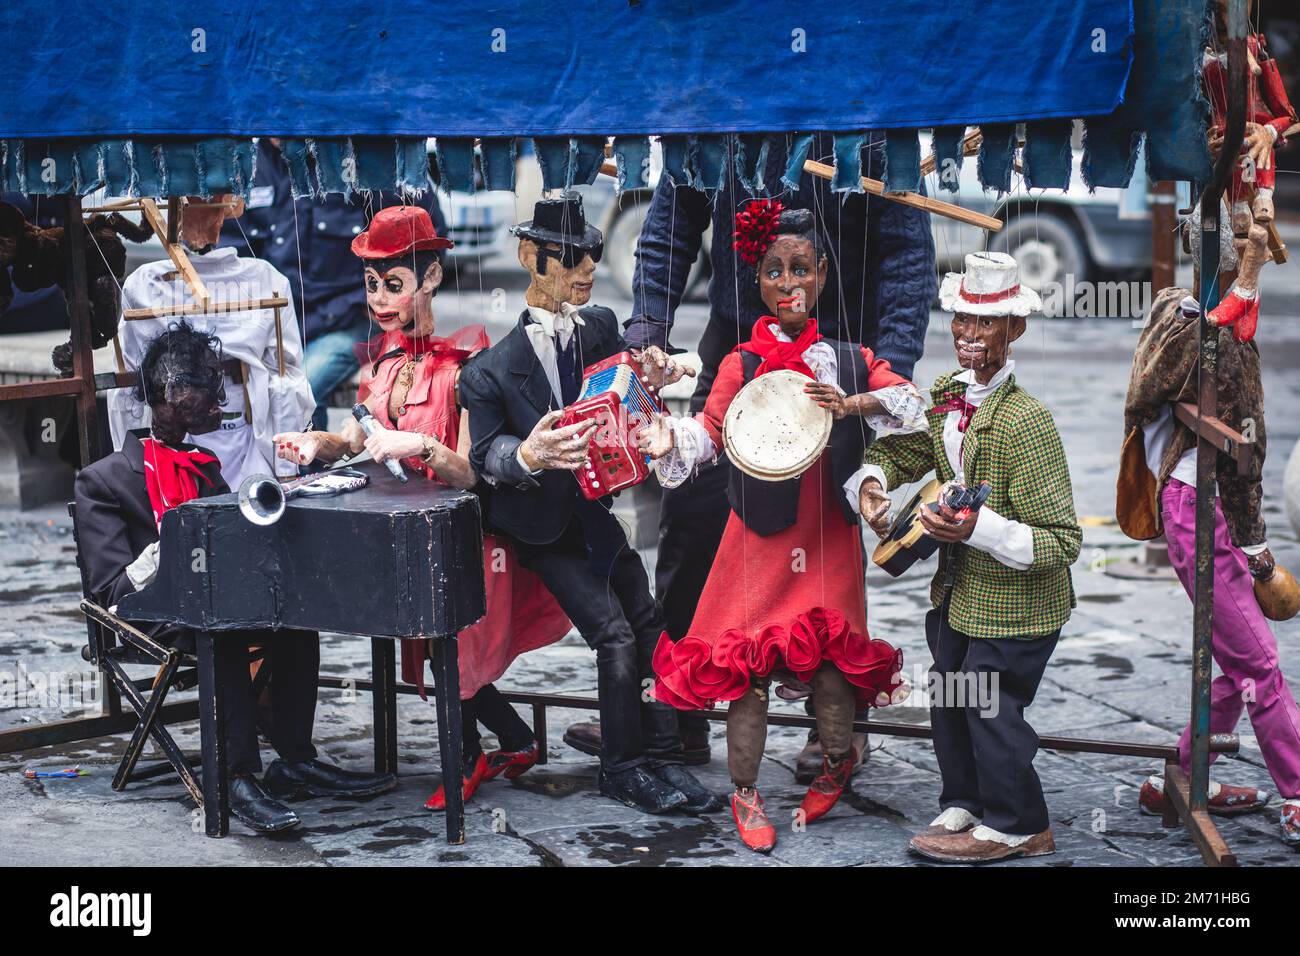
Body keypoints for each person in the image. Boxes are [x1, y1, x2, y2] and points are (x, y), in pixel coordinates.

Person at [568, 133, 937, 779]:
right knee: (690, 527)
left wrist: (889, 378)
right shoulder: (718, 119)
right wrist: (648, 334)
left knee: (827, 539)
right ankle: (673, 718)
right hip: (736, 345)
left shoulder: (873, 126)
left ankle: (838, 729)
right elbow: (668, 229)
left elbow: (908, 257)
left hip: (838, 354)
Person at [272, 206, 571, 811]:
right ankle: (513, 737)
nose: (379, 299)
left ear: (430, 279)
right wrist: (316, 444)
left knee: (453, 654)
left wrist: (423, 446)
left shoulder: (469, 363)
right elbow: (356, 442)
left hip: (463, 536)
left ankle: (466, 760)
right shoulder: (381, 364)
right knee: (436, 653)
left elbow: (473, 468)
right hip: (401, 535)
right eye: (371, 284)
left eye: (394, 284)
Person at [643, 203, 920, 853]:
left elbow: (909, 406)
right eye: (775, 270)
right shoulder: (741, 364)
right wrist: (664, 436)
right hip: (759, 538)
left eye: (801, 268)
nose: (789, 281)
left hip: (825, 536)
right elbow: (706, 436)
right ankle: (745, 792)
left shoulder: (849, 360)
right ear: (758, 281)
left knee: (830, 671)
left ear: (822, 275)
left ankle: (834, 764)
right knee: (748, 674)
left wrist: (854, 402)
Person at [76, 321, 395, 834]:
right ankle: (236, 775)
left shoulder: (204, 464)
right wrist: (183, 540)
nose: (221, 399)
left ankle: (293, 759)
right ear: (176, 393)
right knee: (221, 626)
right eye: (209, 386)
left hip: (209, 600)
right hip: (148, 615)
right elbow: (112, 590)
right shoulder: (102, 481)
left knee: (292, 614)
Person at [458, 193, 720, 815]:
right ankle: (622, 766)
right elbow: (485, 457)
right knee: (614, 634)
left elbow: (630, 374)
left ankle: (662, 755)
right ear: (530, 256)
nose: (588, 267)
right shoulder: (490, 371)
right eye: (573, 257)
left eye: (593, 254)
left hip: (595, 513)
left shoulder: (599, 325)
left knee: (652, 624)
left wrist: (656, 370)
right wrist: (529, 455)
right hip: (540, 528)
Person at [855, 251, 1081, 863]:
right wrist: (874, 482)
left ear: (1015, 330)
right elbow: (912, 454)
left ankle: (1019, 821)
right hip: (958, 594)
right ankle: (966, 800)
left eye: (985, 324)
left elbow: (1063, 542)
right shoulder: (948, 393)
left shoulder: (1027, 422)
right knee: (949, 696)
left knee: (988, 704)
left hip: (1017, 607)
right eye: (961, 320)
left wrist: (976, 529)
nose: (969, 335)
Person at [1118, 229, 1300, 844]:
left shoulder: (1181, 312)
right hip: (1197, 509)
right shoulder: (1206, 330)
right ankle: (1299, 792)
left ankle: (1182, 772)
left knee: (1233, 662)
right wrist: (1258, 552)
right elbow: (1246, 458)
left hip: (1191, 503)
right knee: (1262, 664)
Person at [220, 138, 449, 430]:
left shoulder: (365, 155)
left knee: (300, 390)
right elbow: (225, 247)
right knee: (233, 391)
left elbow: (424, 235)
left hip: (348, 320)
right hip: (273, 322)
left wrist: (391, 304)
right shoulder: (245, 163)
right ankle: (270, 470)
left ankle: (304, 473)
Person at [108, 194, 315, 490]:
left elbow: (285, 379)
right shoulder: (144, 284)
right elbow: (129, 383)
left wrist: (285, 469)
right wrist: (134, 470)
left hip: (247, 436)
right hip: (174, 443)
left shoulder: (265, 279)